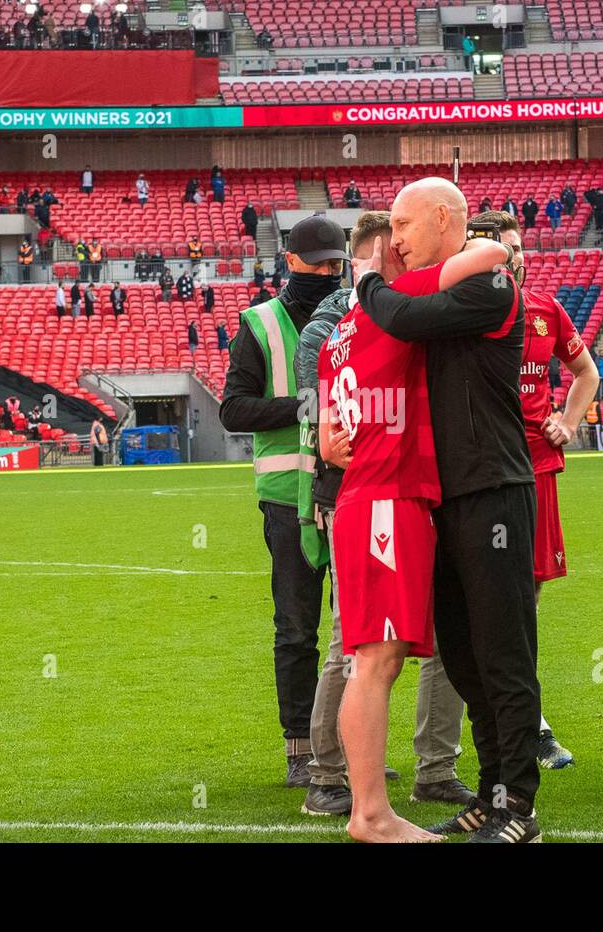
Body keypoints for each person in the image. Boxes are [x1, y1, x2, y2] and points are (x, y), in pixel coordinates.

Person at [352, 178, 544, 843]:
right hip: (442, 500)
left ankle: (519, 808)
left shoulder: (488, 285)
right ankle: (492, 796)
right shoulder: (450, 279)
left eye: (403, 225)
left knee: (503, 657)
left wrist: (366, 280)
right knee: (463, 661)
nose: (396, 239)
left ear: (443, 218)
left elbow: (404, 320)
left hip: (493, 489)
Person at [314, 218, 509, 840]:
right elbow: (493, 252)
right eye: (394, 239)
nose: (404, 246)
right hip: (387, 503)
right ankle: (370, 813)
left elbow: (326, 439)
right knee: (375, 662)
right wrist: (390, 268)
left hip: (362, 498)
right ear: (375, 256)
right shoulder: (397, 300)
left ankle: (368, 806)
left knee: (369, 659)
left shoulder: (334, 338)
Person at [219, 214, 349, 786]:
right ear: (291, 262)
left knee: (354, 635)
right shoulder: (260, 324)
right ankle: (302, 751)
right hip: (286, 497)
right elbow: (233, 409)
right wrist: (304, 406)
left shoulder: (354, 313)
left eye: (336, 264)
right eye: (319, 263)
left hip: (348, 487)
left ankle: (344, 749)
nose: (328, 272)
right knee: (297, 629)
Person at [469, 208, 599, 769]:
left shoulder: (546, 311)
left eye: (519, 246)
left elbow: (587, 373)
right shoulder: (467, 313)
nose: (516, 256)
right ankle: (507, 725)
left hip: (538, 464)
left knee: (527, 596)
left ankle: (529, 722)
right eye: (504, 248)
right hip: (482, 467)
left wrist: (567, 423)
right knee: (486, 598)